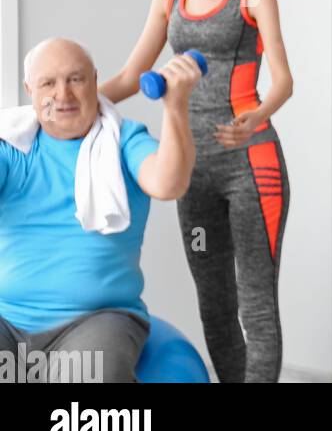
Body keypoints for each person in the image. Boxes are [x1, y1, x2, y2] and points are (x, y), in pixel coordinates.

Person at [99, 0, 293, 383]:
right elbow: (126, 76)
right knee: (214, 303)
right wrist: (68, 103)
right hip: (190, 167)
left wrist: (258, 114)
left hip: (253, 165)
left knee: (256, 304)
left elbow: (284, 80)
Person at [1, 38, 199, 383]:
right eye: (49, 83)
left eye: (75, 79)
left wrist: (175, 107)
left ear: (95, 81)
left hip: (97, 319)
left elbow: (169, 184)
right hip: (8, 318)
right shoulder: (14, 148)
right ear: (29, 90)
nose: (63, 94)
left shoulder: (124, 141)